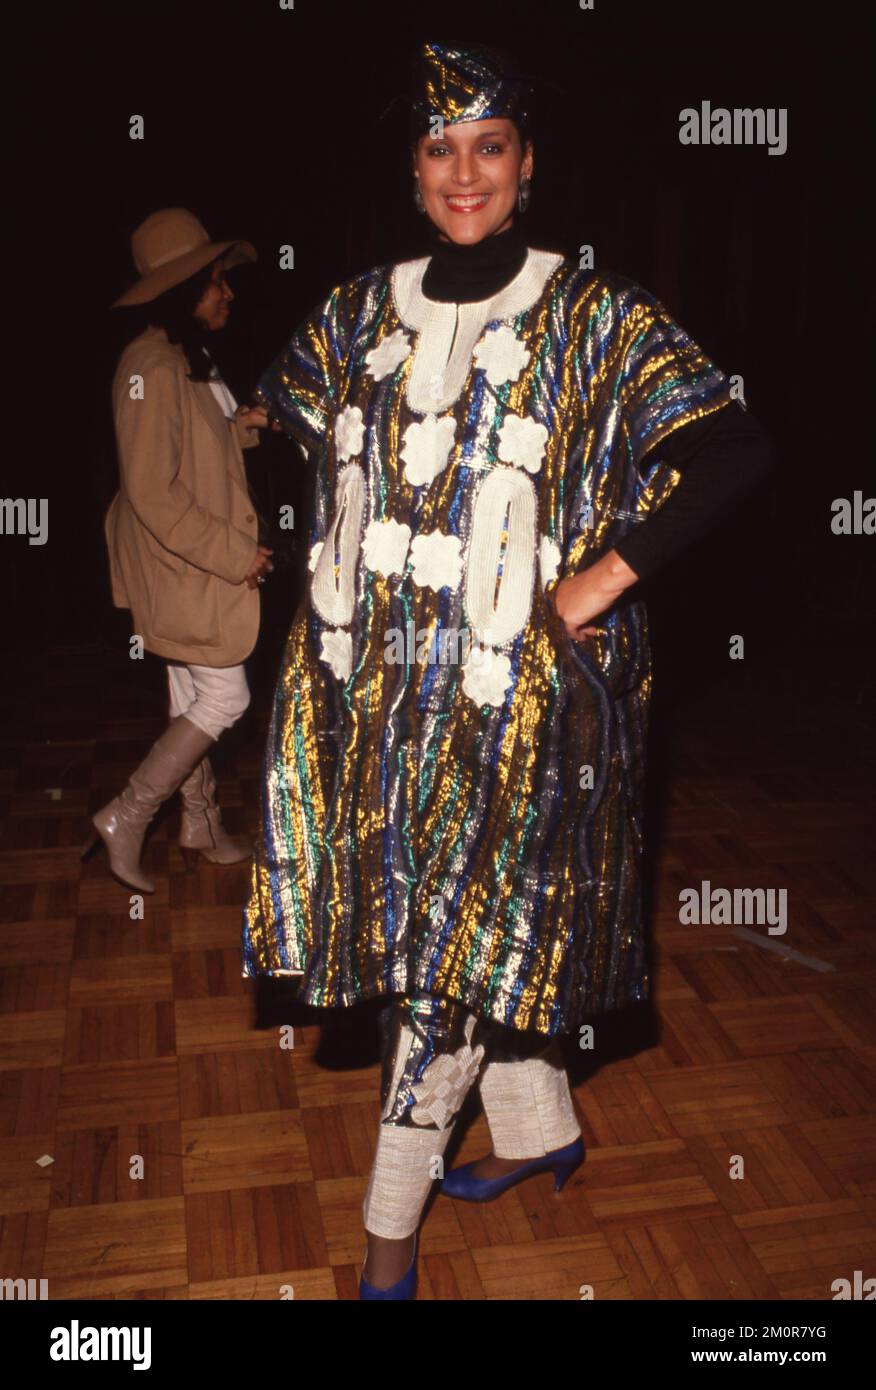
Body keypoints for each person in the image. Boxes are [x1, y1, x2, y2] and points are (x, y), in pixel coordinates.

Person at [241, 42, 774, 1299]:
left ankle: (386, 1242)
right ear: (413, 170)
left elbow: (737, 450)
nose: (463, 172)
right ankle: (544, 1132)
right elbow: (290, 435)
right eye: (439, 148)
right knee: (444, 931)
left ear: (526, 168)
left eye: (491, 147)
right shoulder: (355, 310)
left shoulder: (594, 313)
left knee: (450, 952)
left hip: (526, 710)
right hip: (380, 703)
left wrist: (597, 580)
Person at [83, 209, 276, 893]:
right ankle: (128, 815)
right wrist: (235, 553)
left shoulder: (180, 359)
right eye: (217, 282)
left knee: (190, 692)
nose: (228, 294)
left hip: (177, 561)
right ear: (183, 289)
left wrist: (244, 428)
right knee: (225, 698)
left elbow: (192, 448)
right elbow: (153, 493)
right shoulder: (151, 367)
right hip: (178, 560)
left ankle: (200, 823)